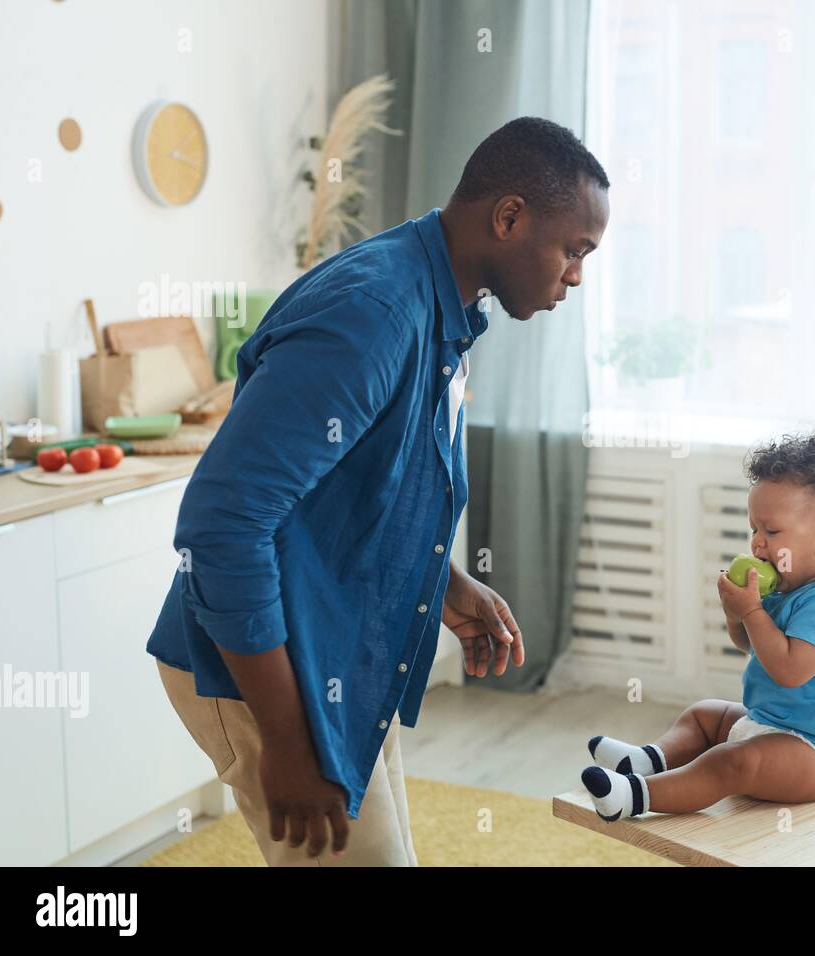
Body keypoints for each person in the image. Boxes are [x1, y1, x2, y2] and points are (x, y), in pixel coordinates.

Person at [147, 116, 610, 865]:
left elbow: (363, 484)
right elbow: (222, 524)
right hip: (263, 669)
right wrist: (291, 744)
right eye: (574, 250)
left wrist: (446, 581)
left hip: (335, 651)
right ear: (509, 216)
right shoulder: (376, 314)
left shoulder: (441, 305)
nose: (578, 274)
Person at [582, 429, 815, 820]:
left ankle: (636, 796)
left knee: (730, 763)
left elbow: (789, 671)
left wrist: (754, 613)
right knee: (706, 715)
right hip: (770, 725)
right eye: (754, 529)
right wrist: (736, 613)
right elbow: (751, 647)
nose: (757, 544)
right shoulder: (787, 583)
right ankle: (647, 760)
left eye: (771, 532)